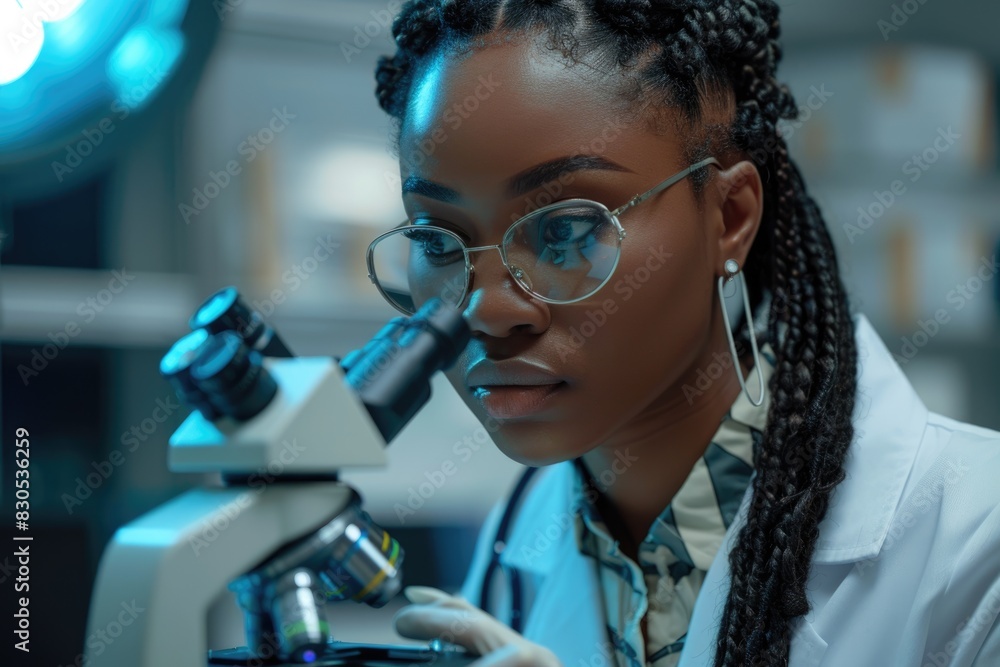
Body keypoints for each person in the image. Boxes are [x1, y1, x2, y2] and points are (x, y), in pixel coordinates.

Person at [364, 1, 1000, 665]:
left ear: (730, 217)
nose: (486, 309)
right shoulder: (518, 541)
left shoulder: (978, 541)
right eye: (437, 239)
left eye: (565, 229)